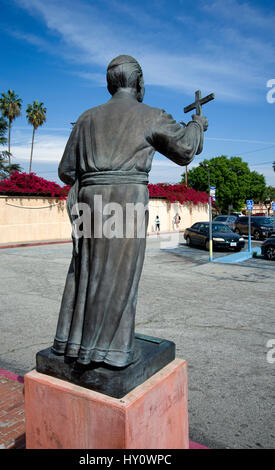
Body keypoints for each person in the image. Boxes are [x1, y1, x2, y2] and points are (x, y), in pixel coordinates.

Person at [52, 55, 208, 367]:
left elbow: (66, 170)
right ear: (138, 84)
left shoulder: (86, 118)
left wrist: (95, 176)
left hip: (87, 200)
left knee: (85, 271)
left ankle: (74, 344)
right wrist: (196, 125)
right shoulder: (150, 115)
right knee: (117, 277)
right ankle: (109, 352)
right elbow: (186, 150)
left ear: (110, 84)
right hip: (125, 200)